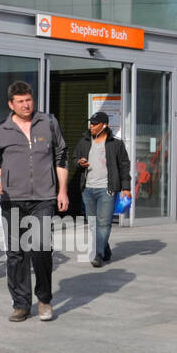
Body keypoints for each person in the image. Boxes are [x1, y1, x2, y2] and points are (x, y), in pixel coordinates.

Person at [0, 81, 68, 323]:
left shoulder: (49, 123)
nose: (26, 105)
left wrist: (62, 191)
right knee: (16, 253)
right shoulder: (3, 129)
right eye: (20, 101)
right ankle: (21, 303)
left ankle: (44, 299)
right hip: (12, 199)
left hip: (43, 197)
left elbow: (61, 156)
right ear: (11, 104)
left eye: (28, 100)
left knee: (41, 248)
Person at [71, 112, 131, 268]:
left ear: (104, 125)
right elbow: (74, 158)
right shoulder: (84, 141)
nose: (91, 126)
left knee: (103, 224)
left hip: (107, 189)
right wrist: (79, 162)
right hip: (88, 189)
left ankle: (98, 254)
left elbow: (124, 166)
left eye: (94, 123)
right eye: (90, 123)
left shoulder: (116, 144)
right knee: (93, 223)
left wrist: (126, 187)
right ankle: (104, 248)